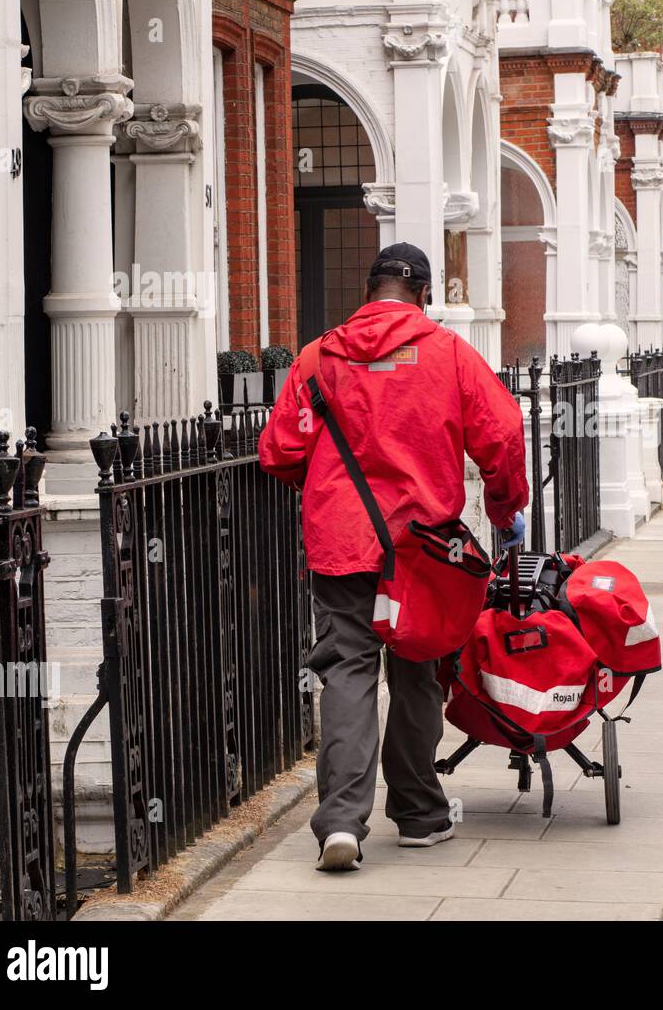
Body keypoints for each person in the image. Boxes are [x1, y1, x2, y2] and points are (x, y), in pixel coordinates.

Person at [259, 243, 529, 872]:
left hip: (342, 543)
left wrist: (326, 481)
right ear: (425, 295)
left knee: (347, 671)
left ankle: (341, 824)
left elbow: (277, 450)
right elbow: (504, 432)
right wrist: (501, 507)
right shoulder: (449, 354)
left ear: (370, 288)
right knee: (417, 671)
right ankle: (418, 813)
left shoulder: (318, 356)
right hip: (423, 548)